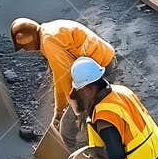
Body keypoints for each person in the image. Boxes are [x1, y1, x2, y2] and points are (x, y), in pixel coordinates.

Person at [9, 17, 118, 148]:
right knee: (83, 111)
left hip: (98, 70)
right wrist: (59, 110)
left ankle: (77, 151)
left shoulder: (48, 42)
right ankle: (95, 140)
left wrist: (74, 105)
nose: (26, 50)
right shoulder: (47, 31)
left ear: (29, 39)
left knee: (68, 126)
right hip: (102, 61)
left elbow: (67, 77)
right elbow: (59, 77)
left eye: (24, 46)